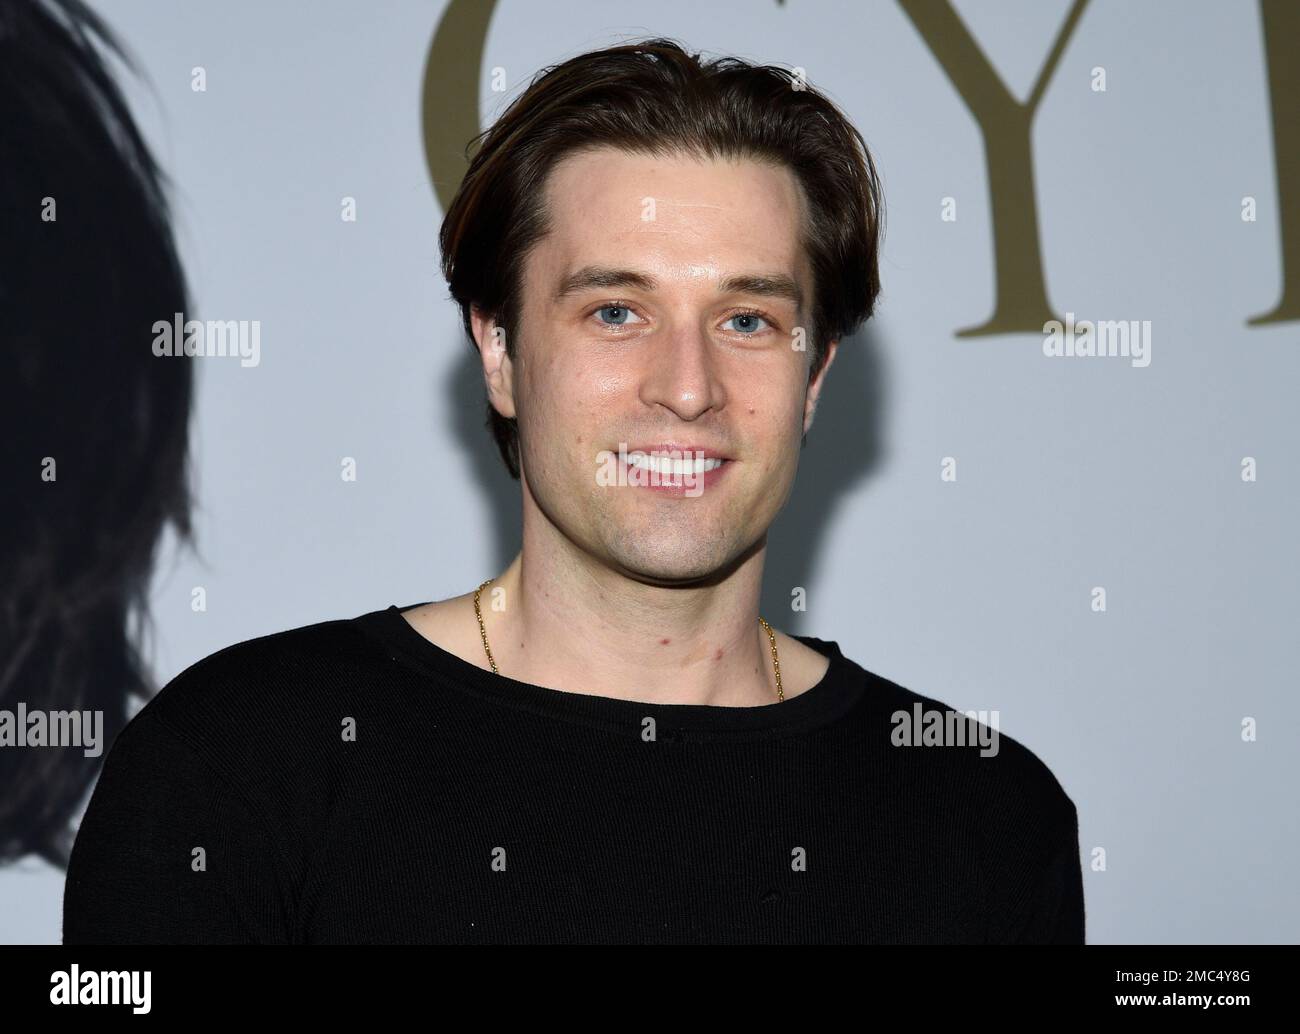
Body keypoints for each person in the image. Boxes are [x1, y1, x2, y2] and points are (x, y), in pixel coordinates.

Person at [63, 37, 1084, 944]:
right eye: (613, 311)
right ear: (499, 353)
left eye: (746, 320)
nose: (686, 387)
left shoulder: (983, 810)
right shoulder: (241, 763)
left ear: (813, 378)